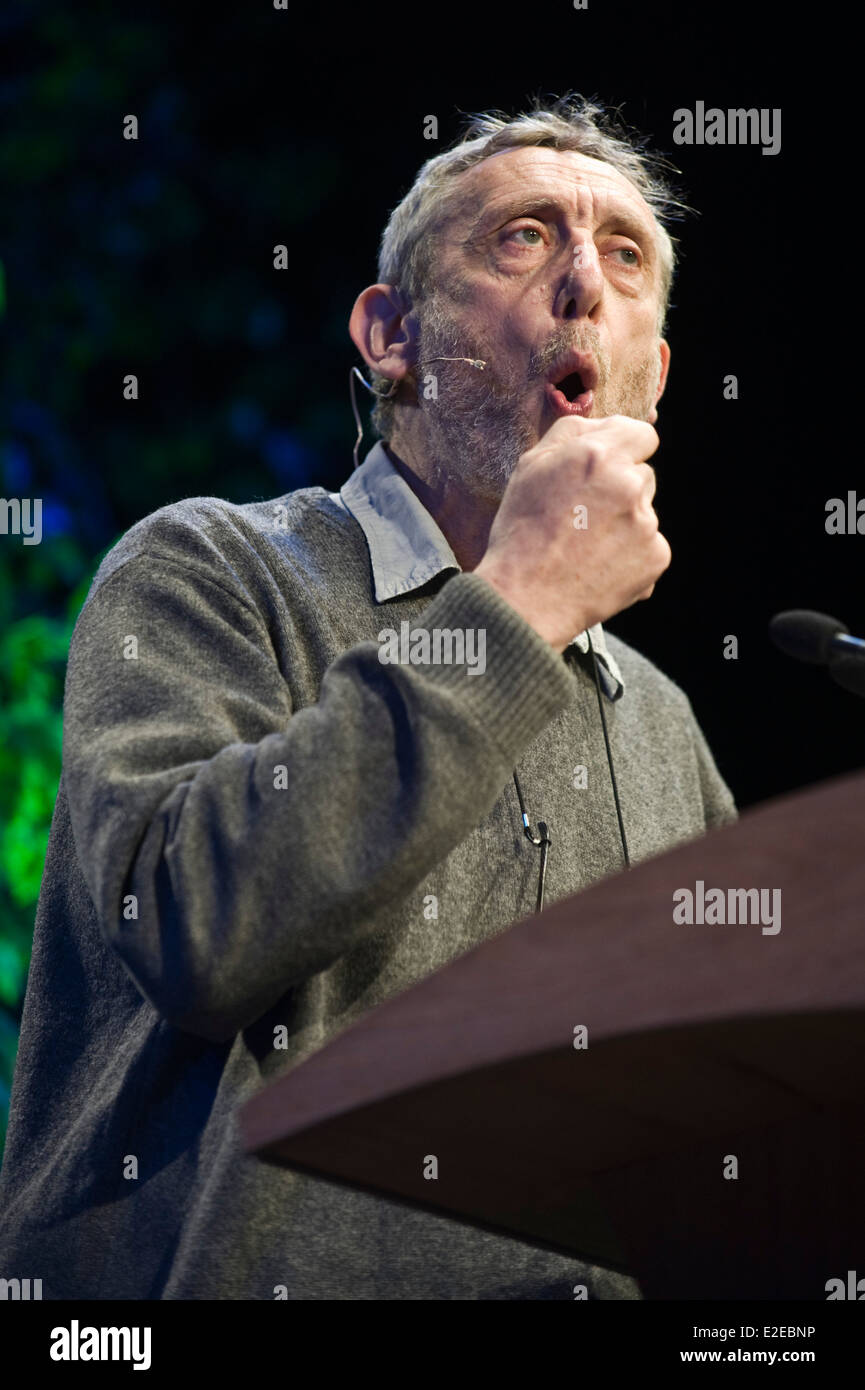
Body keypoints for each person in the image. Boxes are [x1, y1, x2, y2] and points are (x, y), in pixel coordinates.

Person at [0, 95, 735, 1300]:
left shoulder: (658, 721)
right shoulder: (209, 571)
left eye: (624, 257)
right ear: (391, 335)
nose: (581, 284)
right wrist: (518, 608)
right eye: (523, 237)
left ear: (650, 379)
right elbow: (194, 931)